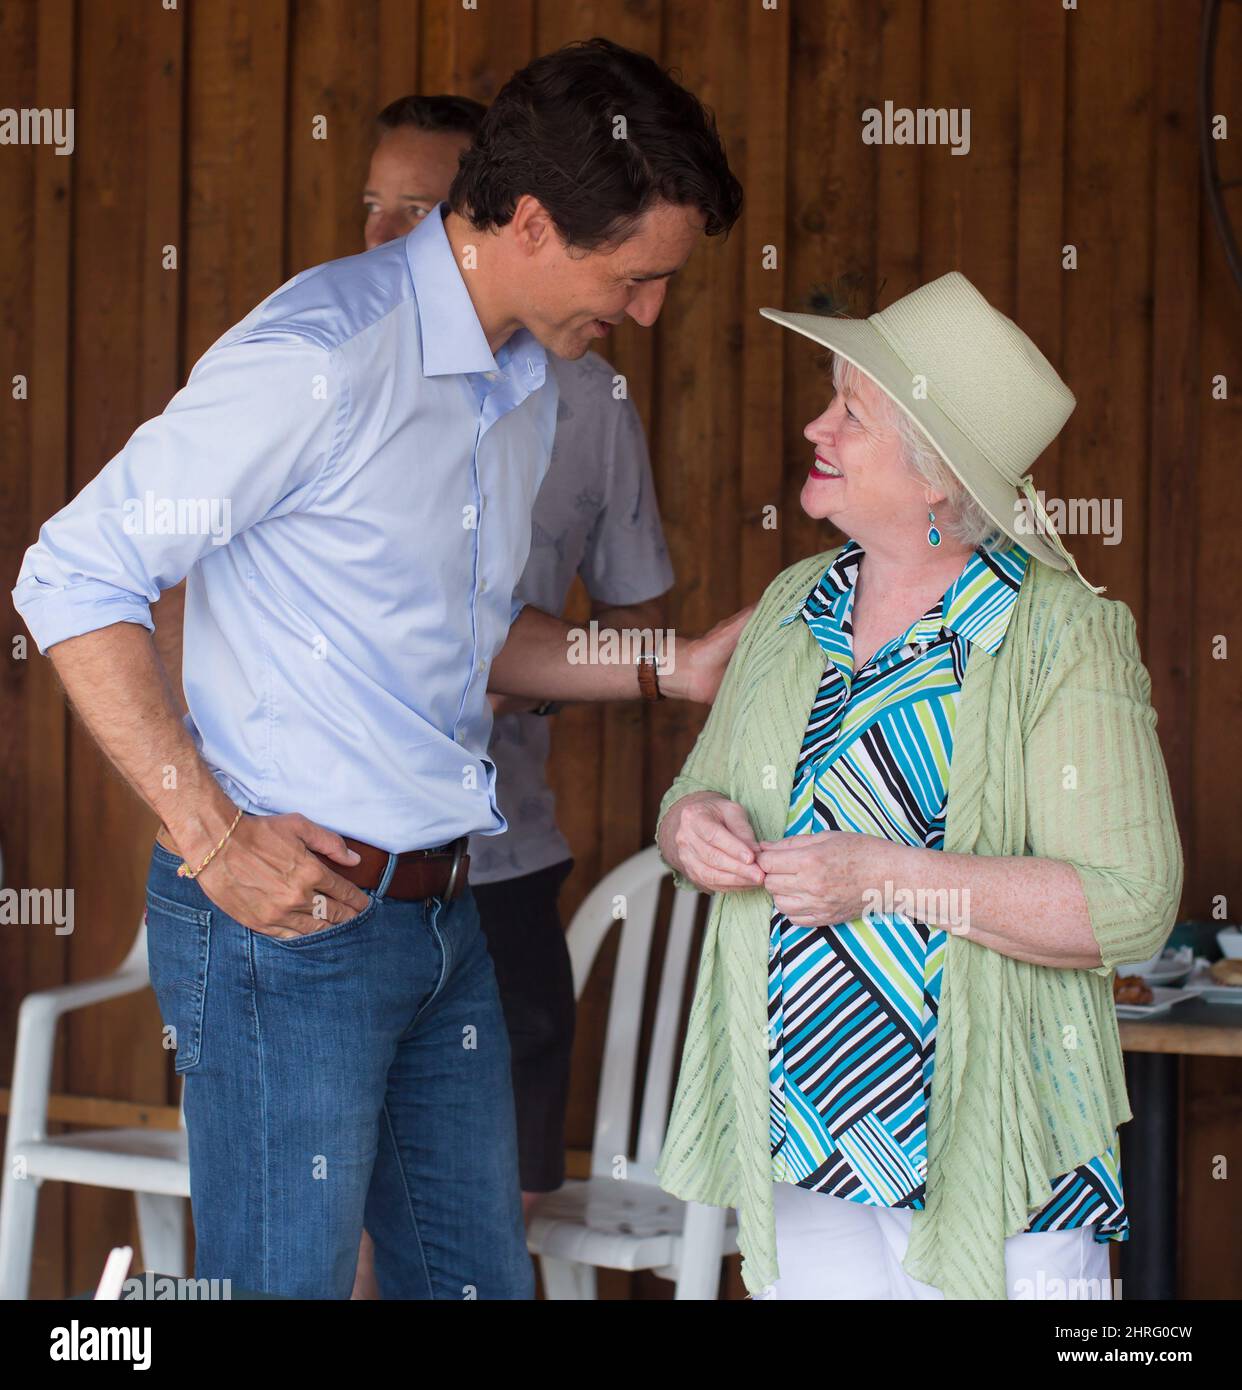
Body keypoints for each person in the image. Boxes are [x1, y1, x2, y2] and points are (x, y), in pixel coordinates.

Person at [12, 37, 743, 1300]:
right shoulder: (324, 350)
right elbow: (71, 573)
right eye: (637, 277)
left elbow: (477, 638)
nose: (647, 312)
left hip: (445, 919)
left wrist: (667, 663)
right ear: (527, 221)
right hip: (287, 931)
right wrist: (213, 831)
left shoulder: (530, 385)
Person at [654, 271, 1183, 1300]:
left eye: (850, 411)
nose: (816, 424)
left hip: (996, 1149)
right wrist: (692, 828)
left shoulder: (1059, 633)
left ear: (939, 478)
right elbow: (694, 789)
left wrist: (887, 878)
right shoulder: (796, 601)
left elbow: (1131, 902)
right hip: (808, 1132)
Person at [353, 93, 674, 1294]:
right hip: (330, 869)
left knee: (485, 1221)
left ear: (504, 217)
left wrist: (556, 679)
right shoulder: (314, 359)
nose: (389, 232)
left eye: (421, 208)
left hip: (501, 867)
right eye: (372, 203)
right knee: (326, 1217)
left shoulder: (588, 396)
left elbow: (643, 624)